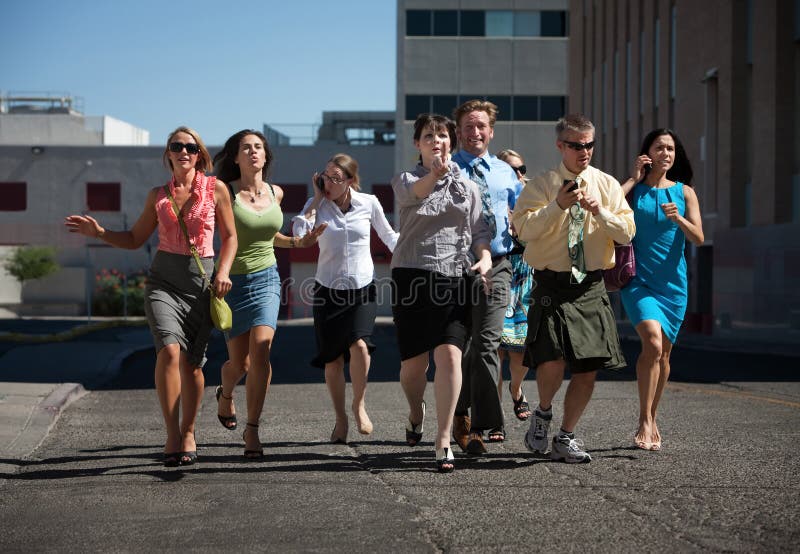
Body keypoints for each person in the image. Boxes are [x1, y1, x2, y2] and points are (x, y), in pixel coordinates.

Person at [65, 126, 237, 467]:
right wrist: (99, 232)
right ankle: (172, 434)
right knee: (170, 352)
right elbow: (133, 238)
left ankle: (189, 430)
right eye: (177, 146)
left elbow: (230, 237)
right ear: (169, 154)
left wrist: (223, 271)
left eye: (190, 146)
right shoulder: (158, 195)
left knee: (192, 365)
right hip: (163, 282)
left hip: (201, 283)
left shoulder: (215, 189)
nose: (184, 151)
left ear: (200, 154)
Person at [511, 114, 635, 463]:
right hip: (552, 283)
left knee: (587, 367)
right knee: (551, 361)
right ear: (560, 146)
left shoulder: (607, 185)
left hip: (590, 285)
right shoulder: (542, 185)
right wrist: (557, 207)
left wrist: (601, 214)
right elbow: (523, 230)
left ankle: (565, 437)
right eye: (577, 145)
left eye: (589, 144)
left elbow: (626, 233)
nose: (585, 151)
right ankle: (544, 412)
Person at [212, 130, 326, 459]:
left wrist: (298, 243)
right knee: (240, 363)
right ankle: (226, 390)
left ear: (265, 155)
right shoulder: (225, 191)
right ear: (235, 157)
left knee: (261, 352)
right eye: (245, 148)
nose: (253, 152)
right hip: (233, 282)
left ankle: (252, 429)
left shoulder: (275, 193)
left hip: (267, 279)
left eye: (258, 147)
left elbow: (271, 236)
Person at [391, 113, 492, 473]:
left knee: (450, 355)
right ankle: (416, 411)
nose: (437, 140)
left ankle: (444, 438)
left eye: (443, 135)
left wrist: (483, 257)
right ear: (417, 144)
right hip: (412, 277)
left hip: (454, 277)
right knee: (413, 367)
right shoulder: (407, 180)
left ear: (452, 142)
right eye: (429, 135)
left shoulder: (470, 187)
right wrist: (435, 174)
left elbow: (480, 231)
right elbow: (416, 194)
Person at [292, 153, 398, 444]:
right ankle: (340, 419)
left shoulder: (369, 203)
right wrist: (315, 200)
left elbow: (389, 237)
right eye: (325, 175)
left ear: (350, 181)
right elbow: (299, 233)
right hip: (328, 290)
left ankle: (359, 404)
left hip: (363, 287)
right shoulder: (319, 206)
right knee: (333, 360)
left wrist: (414, 249)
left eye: (336, 178)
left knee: (361, 346)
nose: (329, 182)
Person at [619, 129, 704, 451]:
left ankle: (653, 417)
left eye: (670, 149)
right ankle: (643, 419)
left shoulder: (685, 192)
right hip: (638, 280)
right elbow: (612, 205)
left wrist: (679, 218)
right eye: (659, 148)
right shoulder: (635, 190)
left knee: (664, 354)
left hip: (673, 285)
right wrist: (632, 177)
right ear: (648, 153)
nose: (665, 154)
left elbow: (698, 237)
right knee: (652, 343)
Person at [451, 100, 519, 455]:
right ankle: (458, 413)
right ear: (458, 131)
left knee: (487, 344)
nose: (475, 133)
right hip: (454, 266)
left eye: (481, 126)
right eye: (468, 126)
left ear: (491, 131)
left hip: (498, 264)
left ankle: (481, 426)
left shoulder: (505, 172)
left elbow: (523, 215)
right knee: (462, 349)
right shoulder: (446, 170)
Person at [495, 149, 533, 424]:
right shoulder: (493, 197)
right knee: (495, 352)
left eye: (521, 168)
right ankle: (493, 415)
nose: (519, 174)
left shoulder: (533, 196)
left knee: (520, 351)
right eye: (512, 170)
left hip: (526, 281)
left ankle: (516, 389)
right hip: (497, 275)